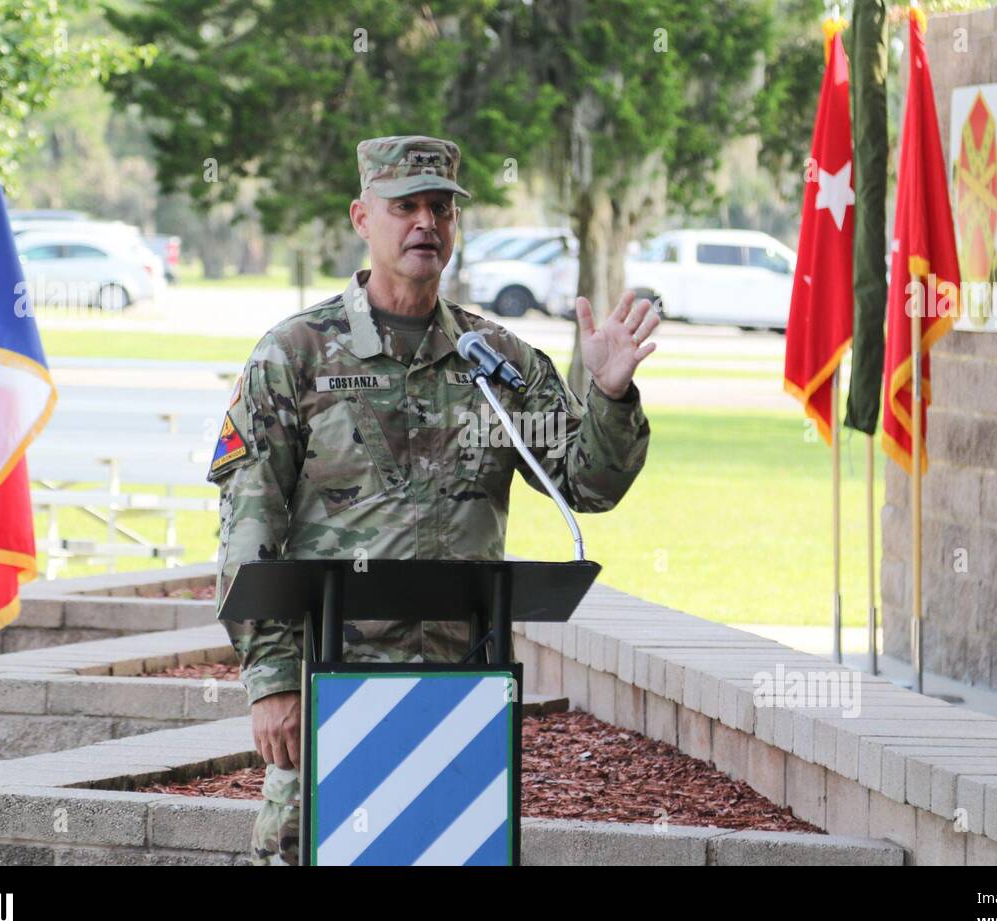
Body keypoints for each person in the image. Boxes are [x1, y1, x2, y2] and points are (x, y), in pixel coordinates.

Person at [207, 134, 659, 864]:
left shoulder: (500, 363)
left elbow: (588, 485)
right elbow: (249, 529)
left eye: (441, 207)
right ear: (362, 217)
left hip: (462, 694)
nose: (425, 222)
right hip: (330, 685)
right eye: (405, 206)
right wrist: (269, 681)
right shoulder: (295, 355)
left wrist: (609, 397)